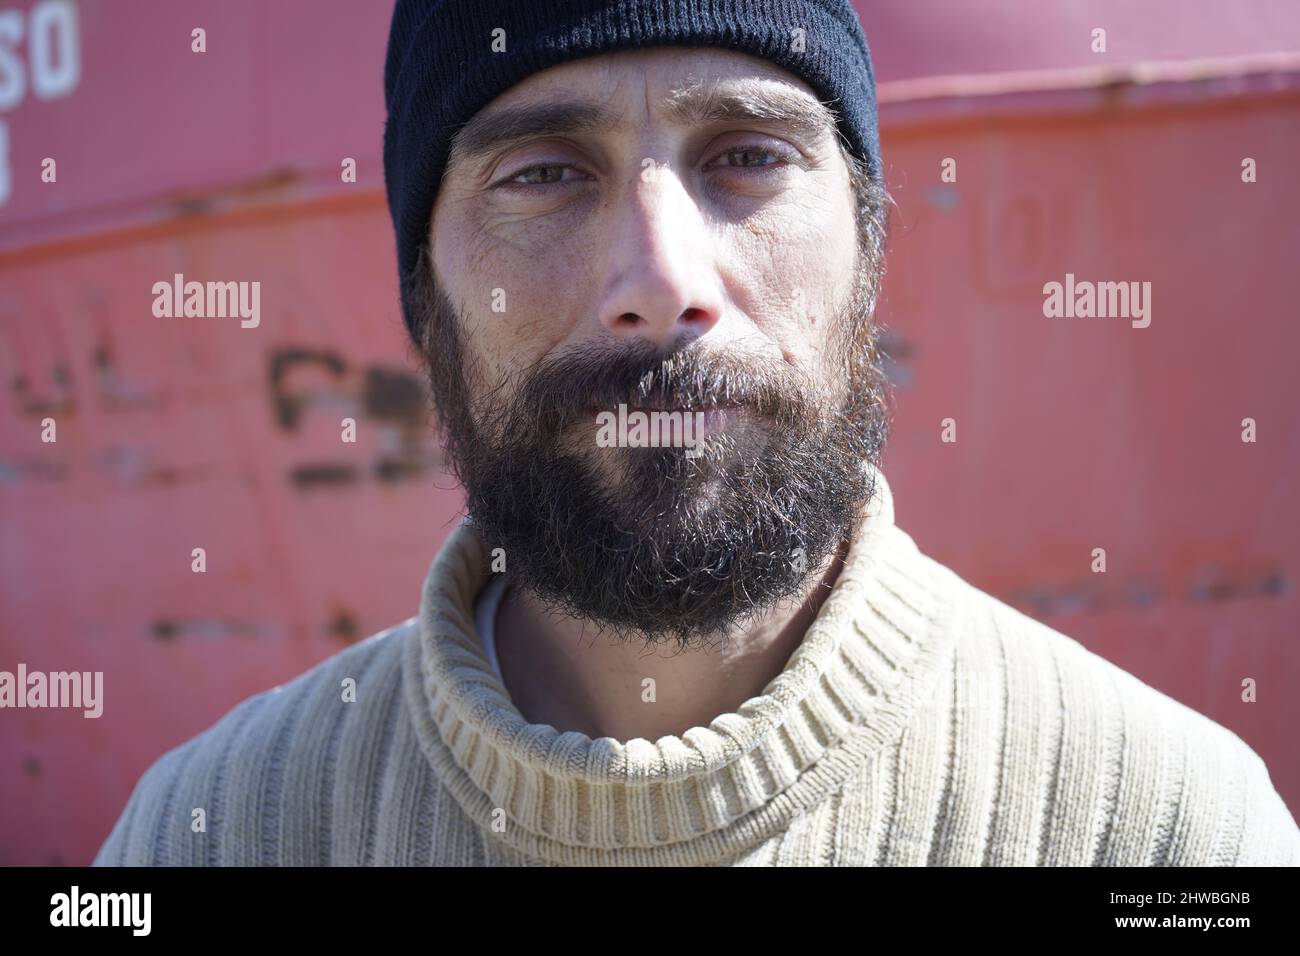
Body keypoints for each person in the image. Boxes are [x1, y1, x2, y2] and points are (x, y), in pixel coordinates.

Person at [93, 0, 1300, 867]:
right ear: (423, 297)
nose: (663, 280)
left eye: (749, 157)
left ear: (870, 249)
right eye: (545, 174)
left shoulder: (1163, 829)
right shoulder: (204, 831)